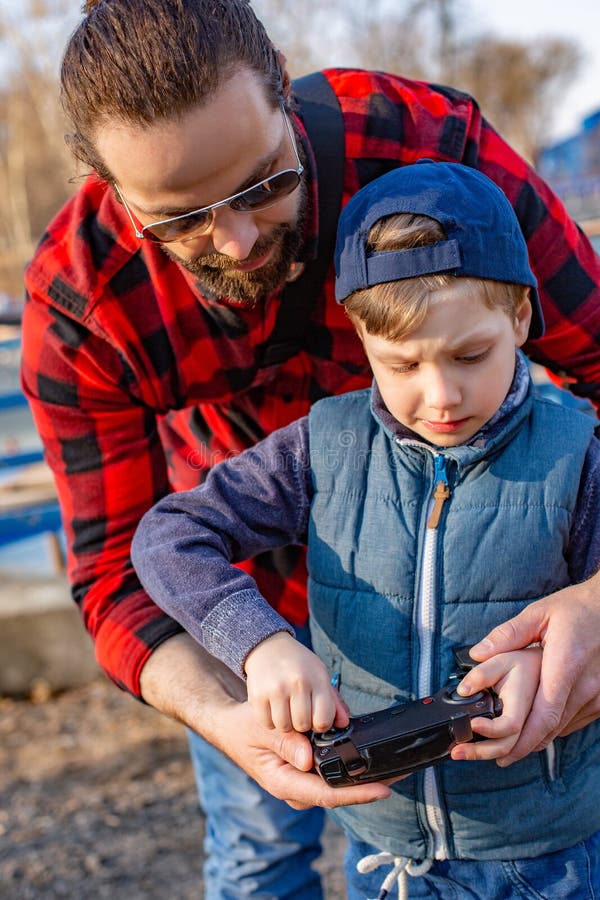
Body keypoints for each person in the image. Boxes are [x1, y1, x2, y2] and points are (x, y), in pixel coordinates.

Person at [19, 0, 600, 894]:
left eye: (261, 186)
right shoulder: (83, 306)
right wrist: (228, 697)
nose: (239, 243)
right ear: (104, 184)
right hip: (232, 612)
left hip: (499, 609)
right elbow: (113, 574)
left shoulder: (428, 151)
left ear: (284, 90)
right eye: (180, 220)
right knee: (257, 856)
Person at [131, 160, 600, 898]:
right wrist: (260, 645)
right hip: (384, 857)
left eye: (470, 356)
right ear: (359, 339)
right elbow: (169, 537)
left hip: (543, 855)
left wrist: (555, 671)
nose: (440, 395)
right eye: (401, 363)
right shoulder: (321, 447)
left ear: (520, 318)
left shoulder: (577, 456)